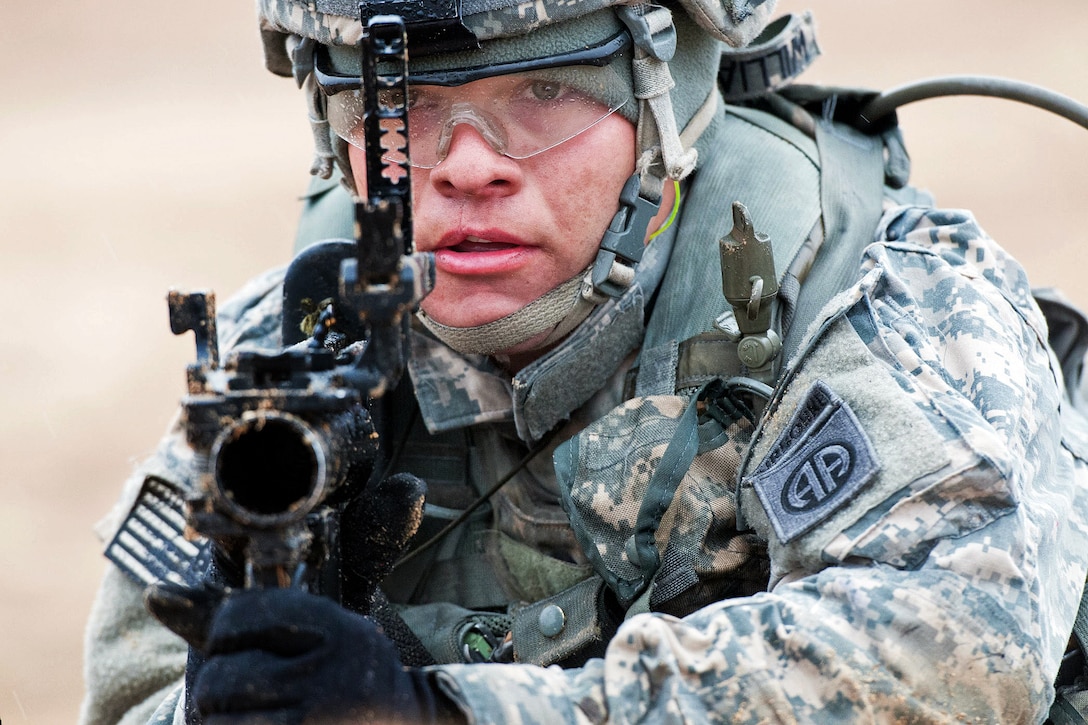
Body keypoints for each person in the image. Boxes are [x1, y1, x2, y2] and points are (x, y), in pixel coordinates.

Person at [80, 0, 1088, 722]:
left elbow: (957, 659)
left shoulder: (873, 297)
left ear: (668, 103)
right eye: (404, 108)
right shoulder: (284, 361)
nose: (468, 162)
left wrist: (441, 711)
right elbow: (136, 683)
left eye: (548, 87)